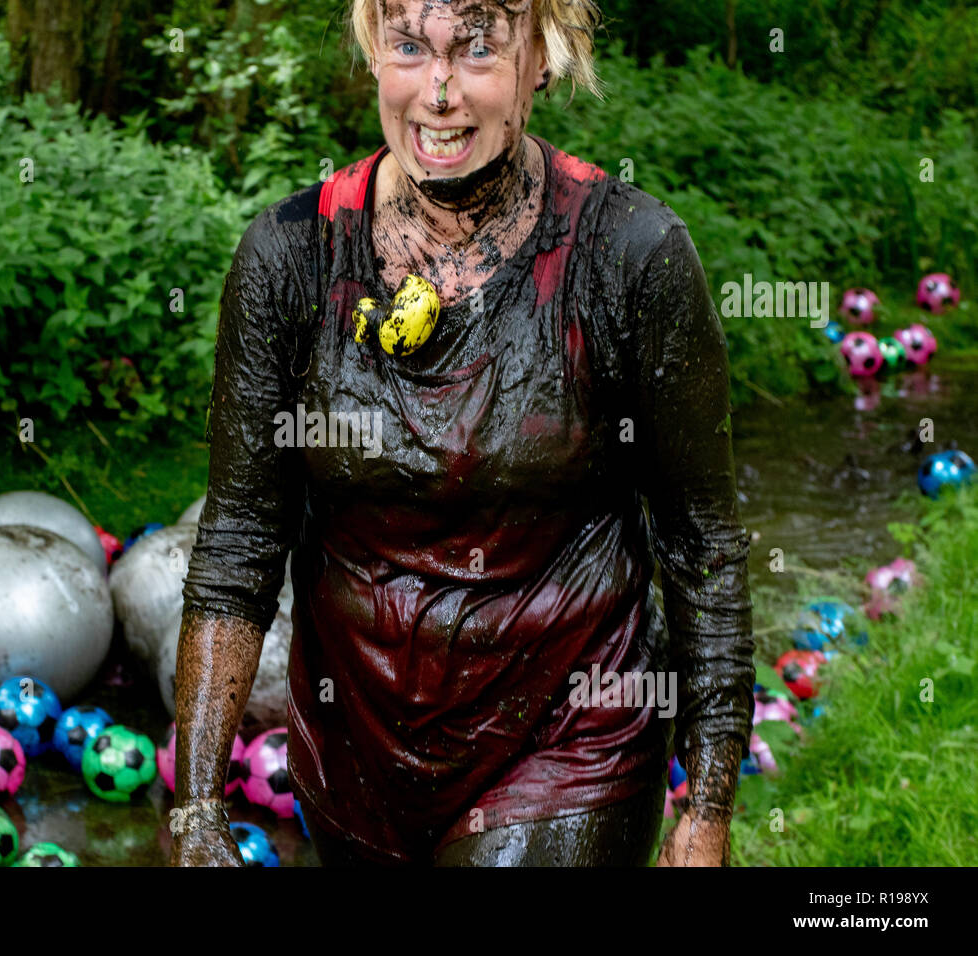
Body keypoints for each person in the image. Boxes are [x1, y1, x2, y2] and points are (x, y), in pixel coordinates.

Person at [170, 0, 754, 866]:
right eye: (411, 46)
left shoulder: (630, 253)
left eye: (478, 49)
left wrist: (704, 812)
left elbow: (701, 540)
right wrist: (193, 807)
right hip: (354, 754)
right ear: (375, 54)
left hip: (568, 741)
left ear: (538, 63)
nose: (438, 91)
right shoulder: (290, 255)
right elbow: (238, 543)